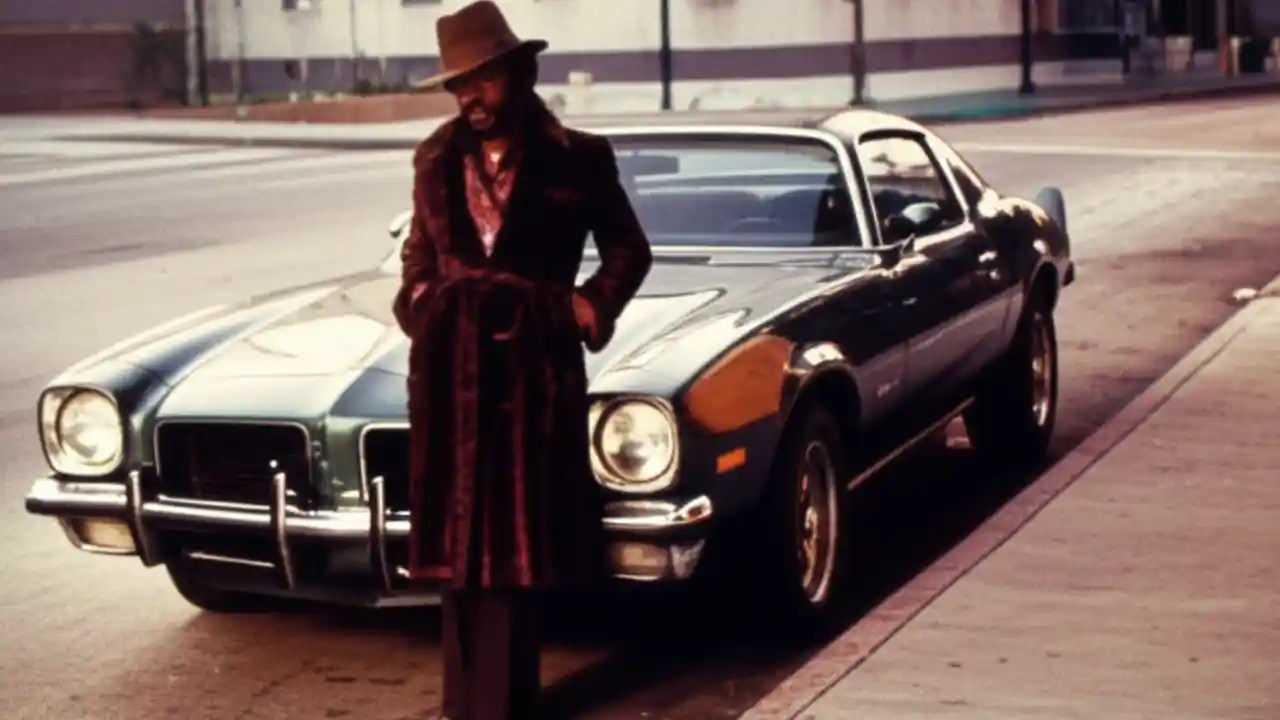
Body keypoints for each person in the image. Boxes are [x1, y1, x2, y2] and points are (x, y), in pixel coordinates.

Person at [391, 3, 653, 718]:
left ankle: (507, 706)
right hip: (450, 375)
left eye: (482, 79)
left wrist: (587, 304)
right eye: (457, 84)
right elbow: (418, 254)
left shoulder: (578, 157)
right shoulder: (434, 158)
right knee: (456, 545)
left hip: (533, 372)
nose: (469, 96)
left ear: (520, 72)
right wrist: (421, 304)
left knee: (515, 546)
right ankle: (463, 707)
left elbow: (629, 250)